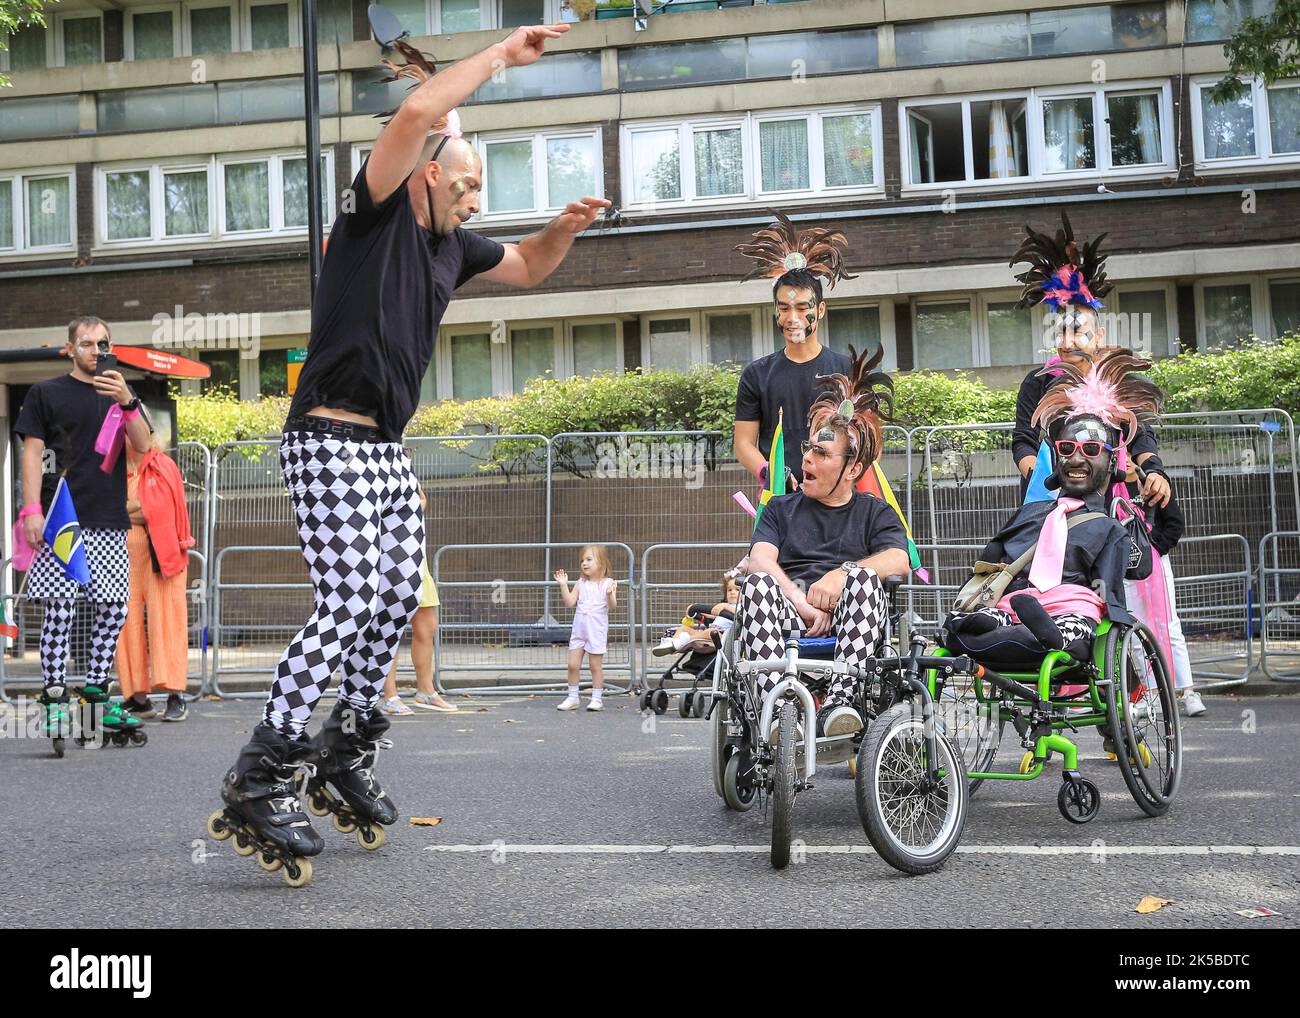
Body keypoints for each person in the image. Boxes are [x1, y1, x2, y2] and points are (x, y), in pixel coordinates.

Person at [213, 23, 610, 874]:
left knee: (396, 597)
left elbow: (534, 266)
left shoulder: (451, 247)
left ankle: (346, 749)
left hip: (387, 451)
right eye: (466, 186)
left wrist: (567, 226)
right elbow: (424, 107)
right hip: (327, 438)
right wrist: (501, 57)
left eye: (480, 191)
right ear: (428, 174)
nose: (476, 202)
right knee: (351, 600)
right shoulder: (375, 210)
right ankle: (261, 769)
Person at [943, 350, 1163, 679]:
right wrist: (972, 598)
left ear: (1110, 464)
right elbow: (990, 562)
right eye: (1066, 450)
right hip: (1015, 605)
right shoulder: (1029, 515)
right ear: (1055, 461)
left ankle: (1047, 633)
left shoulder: (1109, 528)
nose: (1077, 460)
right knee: (969, 624)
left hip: (1071, 609)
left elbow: (1117, 587)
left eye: (1090, 451)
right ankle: (1004, 626)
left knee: (1071, 630)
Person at [743, 346, 911, 742]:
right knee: (755, 583)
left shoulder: (875, 513)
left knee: (868, 579)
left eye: (821, 453)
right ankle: (778, 715)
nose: (807, 460)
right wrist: (801, 602)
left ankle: (840, 705)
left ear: (852, 469)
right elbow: (760, 558)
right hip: (787, 613)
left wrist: (842, 574)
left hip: (852, 620)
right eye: (808, 449)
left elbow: (899, 560)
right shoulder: (780, 509)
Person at [16, 316, 152, 746]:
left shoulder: (119, 394)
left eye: (103, 343)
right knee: (60, 610)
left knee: (114, 610)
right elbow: (33, 454)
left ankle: (94, 698)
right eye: (88, 343)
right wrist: (32, 511)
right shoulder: (46, 393)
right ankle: (56, 702)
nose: (96, 350)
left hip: (109, 518)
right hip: (62, 518)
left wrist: (128, 399)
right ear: (70, 348)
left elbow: (144, 444)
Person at [1007, 213, 1171, 509]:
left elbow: (1142, 438)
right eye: (1061, 332)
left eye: (1078, 332)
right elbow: (1023, 442)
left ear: (1099, 335)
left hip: (1112, 502)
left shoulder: (1120, 380)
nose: (1068, 342)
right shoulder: (1038, 382)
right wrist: (1044, 481)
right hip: (1050, 502)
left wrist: (1155, 472)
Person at [734, 211, 853, 491]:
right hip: (778, 501)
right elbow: (743, 444)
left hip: (838, 501)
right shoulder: (756, 374)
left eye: (802, 307)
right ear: (775, 311)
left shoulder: (847, 370)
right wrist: (771, 474)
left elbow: (865, 440)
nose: (793, 318)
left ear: (820, 310)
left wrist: (833, 478)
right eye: (784, 308)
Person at [118, 438, 196, 723]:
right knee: (126, 624)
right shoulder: (112, 469)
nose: (128, 437)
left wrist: (124, 509)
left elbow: (159, 510)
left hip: (162, 556)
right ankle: (137, 697)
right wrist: (134, 509)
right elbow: (104, 508)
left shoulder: (163, 465)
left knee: (167, 622)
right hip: (122, 557)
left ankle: (175, 694)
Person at [1123, 463, 1205, 717]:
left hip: (1155, 562)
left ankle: (1187, 691)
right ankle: (1152, 694)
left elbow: (1174, 522)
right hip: (1123, 566)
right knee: (1136, 630)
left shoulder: (1151, 482)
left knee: (1169, 625)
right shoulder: (1108, 485)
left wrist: (1154, 549)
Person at [380, 486, 456, 715]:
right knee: (389, 632)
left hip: (416, 564)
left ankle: (425, 691)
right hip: (387, 565)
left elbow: (421, 500)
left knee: (427, 627)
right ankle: (390, 696)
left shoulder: (405, 480)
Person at [554, 546, 616, 712]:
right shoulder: (581, 583)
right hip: (579, 631)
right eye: (582, 560)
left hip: (596, 631)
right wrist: (563, 585)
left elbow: (612, 606)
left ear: (601, 563)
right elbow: (570, 602)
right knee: (572, 665)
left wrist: (610, 595)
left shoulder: (607, 583)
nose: (584, 563)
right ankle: (572, 697)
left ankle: (597, 699)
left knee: (595, 666)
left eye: (589, 559)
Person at [651, 571, 739, 656]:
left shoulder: (743, 607)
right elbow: (713, 616)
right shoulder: (723, 605)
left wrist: (725, 607)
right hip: (705, 636)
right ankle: (672, 643)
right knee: (684, 628)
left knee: (711, 632)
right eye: (729, 590)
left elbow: (741, 615)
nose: (732, 592)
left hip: (723, 637)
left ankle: (685, 640)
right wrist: (696, 611)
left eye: (737, 589)